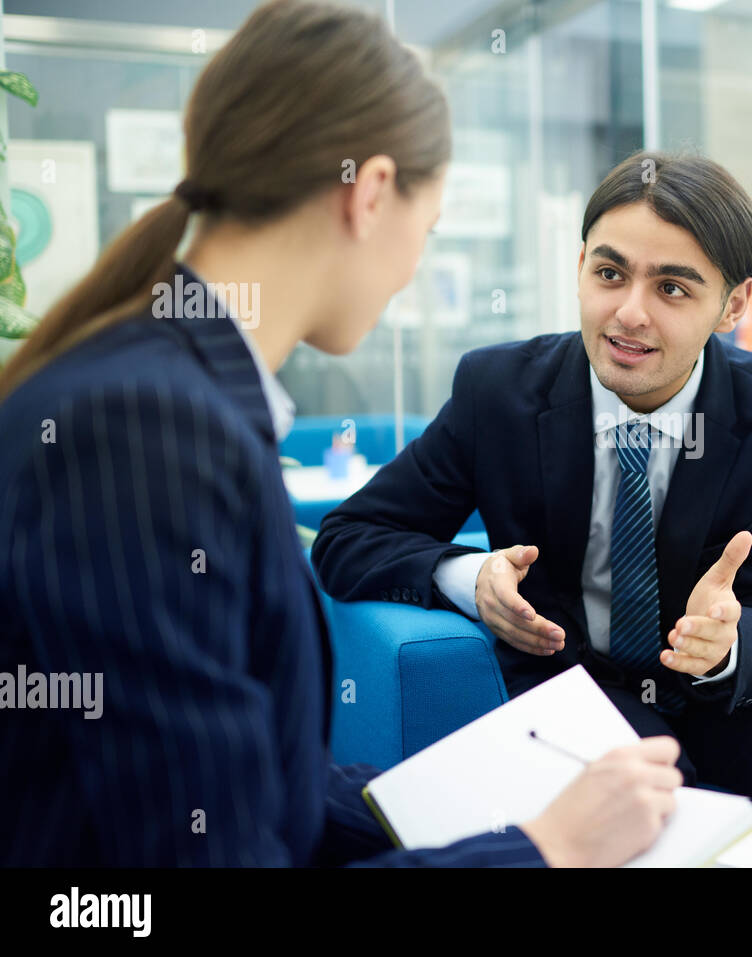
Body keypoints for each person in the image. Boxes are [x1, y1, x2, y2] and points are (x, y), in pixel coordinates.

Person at [0, 0, 682, 868]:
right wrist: (545, 851)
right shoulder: (145, 432)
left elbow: (240, 787)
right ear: (370, 194)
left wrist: (475, 818)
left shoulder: (167, 394)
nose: (414, 269)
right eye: (426, 231)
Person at [312, 151, 752, 806]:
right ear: (580, 268)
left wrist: (726, 644)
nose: (629, 313)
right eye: (610, 273)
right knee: (651, 805)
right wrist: (473, 579)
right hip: (573, 681)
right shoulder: (498, 393)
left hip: (718, 688)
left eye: (671, 288)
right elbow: (349, 535)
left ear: (732, 303)